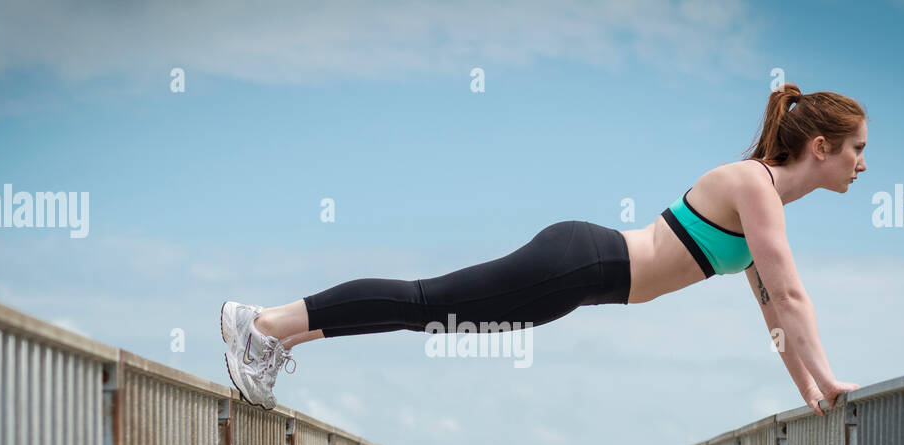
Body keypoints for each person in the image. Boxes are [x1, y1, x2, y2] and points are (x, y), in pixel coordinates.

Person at [222, 83, 864, 415]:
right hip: (582, 262)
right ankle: (264, 323)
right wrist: (832, 379)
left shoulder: (763, 207)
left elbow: (774, 316)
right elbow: (790, 293)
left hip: (582, 277)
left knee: (431, 311)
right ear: (821, 147)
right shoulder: (755, 186)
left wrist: (808, 391)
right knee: (427, 302)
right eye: (857, 147)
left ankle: (276, 339)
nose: (863, 164)